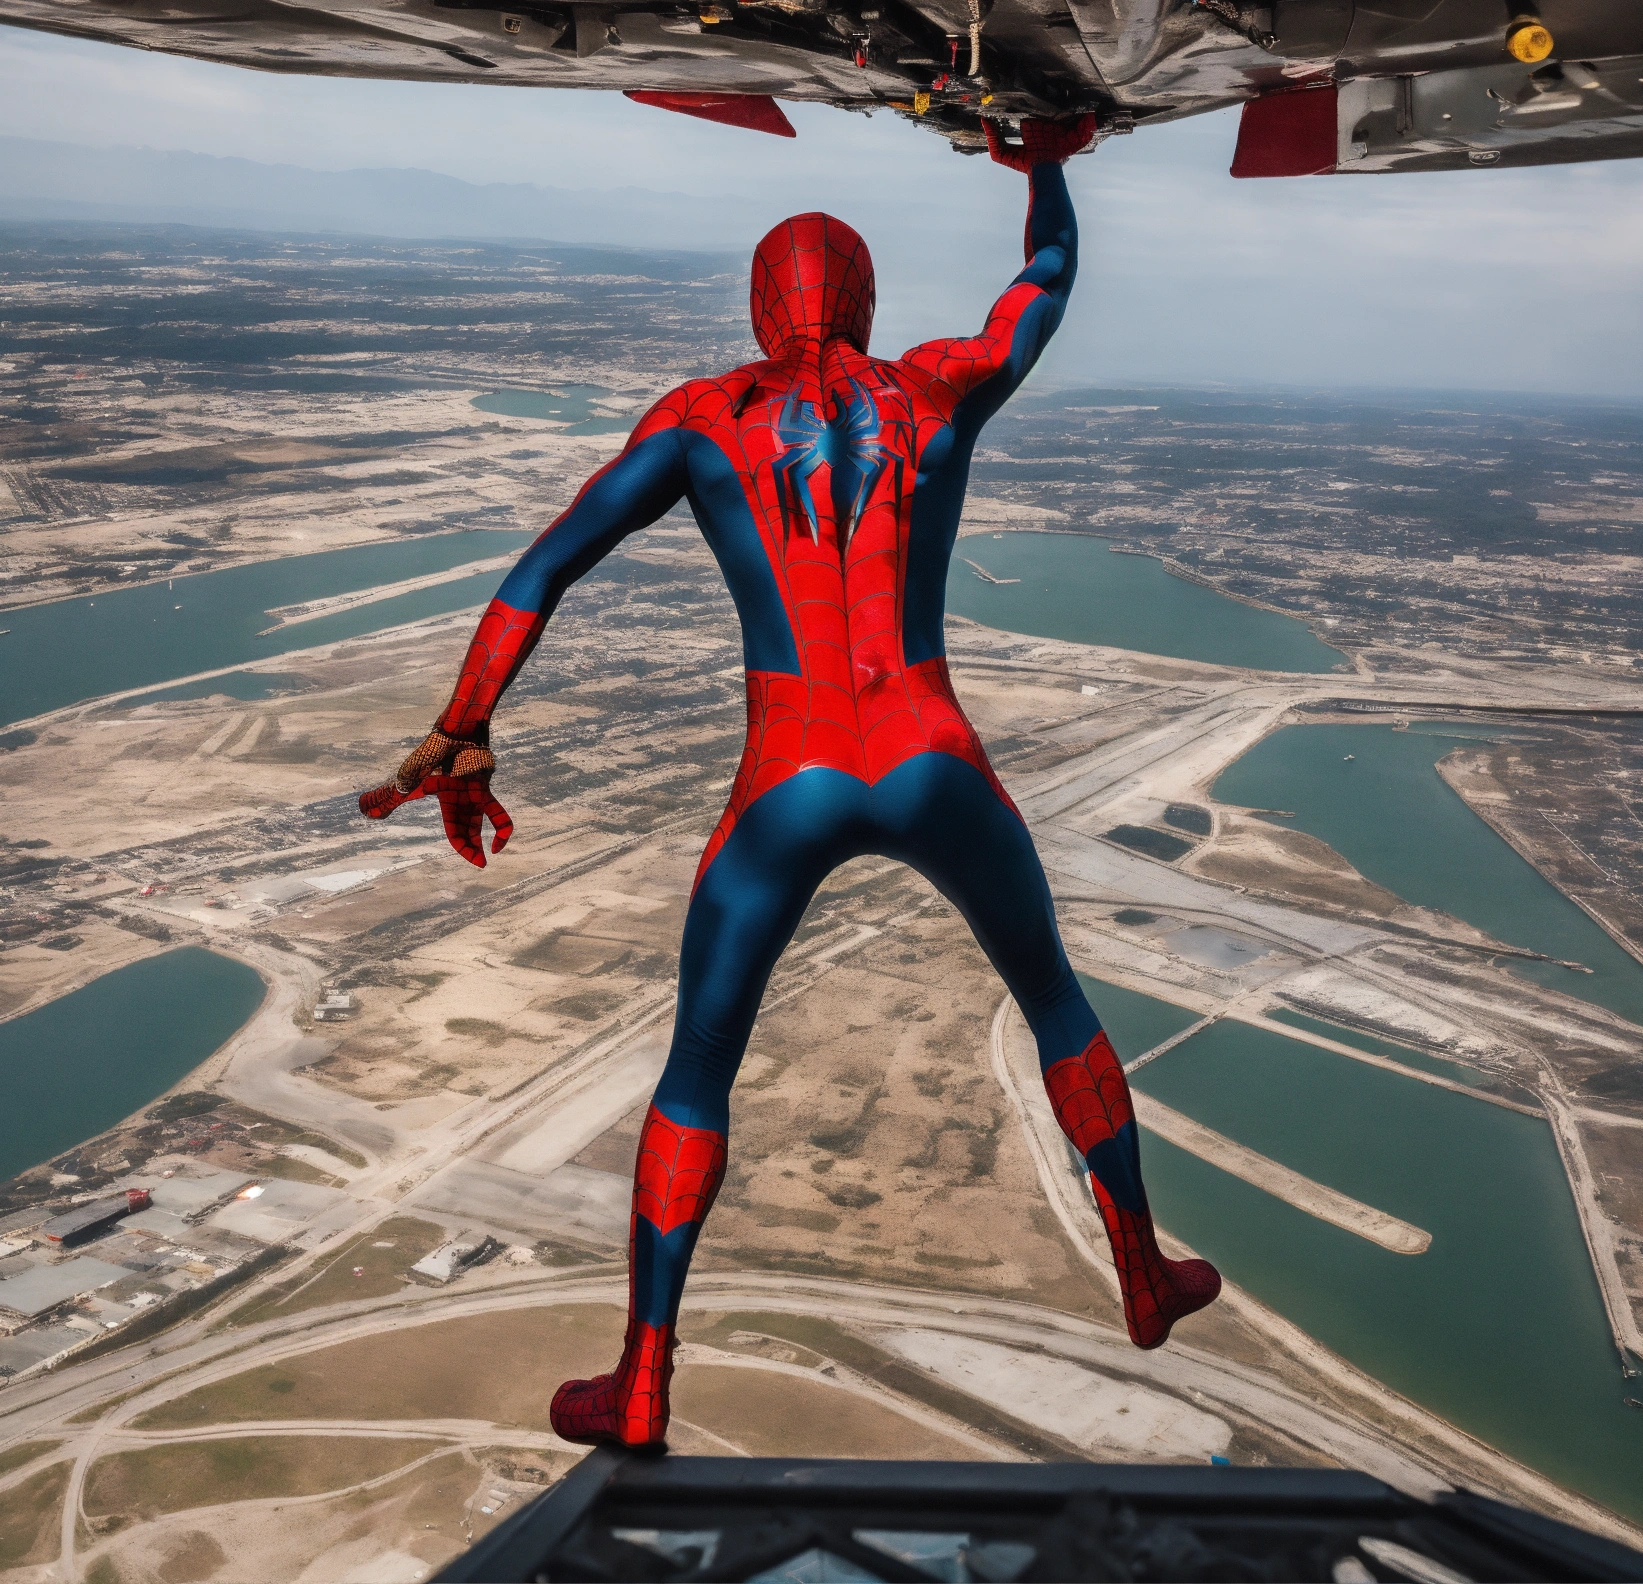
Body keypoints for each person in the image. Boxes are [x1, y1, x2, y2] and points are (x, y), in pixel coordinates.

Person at [360, 114, 1220, 1449]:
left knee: (699, 1068)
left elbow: (542, 568)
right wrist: (1043, 158)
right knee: (1053, 999)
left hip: (792, 774)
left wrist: (467, 722)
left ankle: (642, 1381)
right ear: (869, 303)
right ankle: (1143, 1273)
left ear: (759, 305)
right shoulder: (933, 390)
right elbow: (1044, 280)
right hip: (936, 757)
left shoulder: (706, 420)